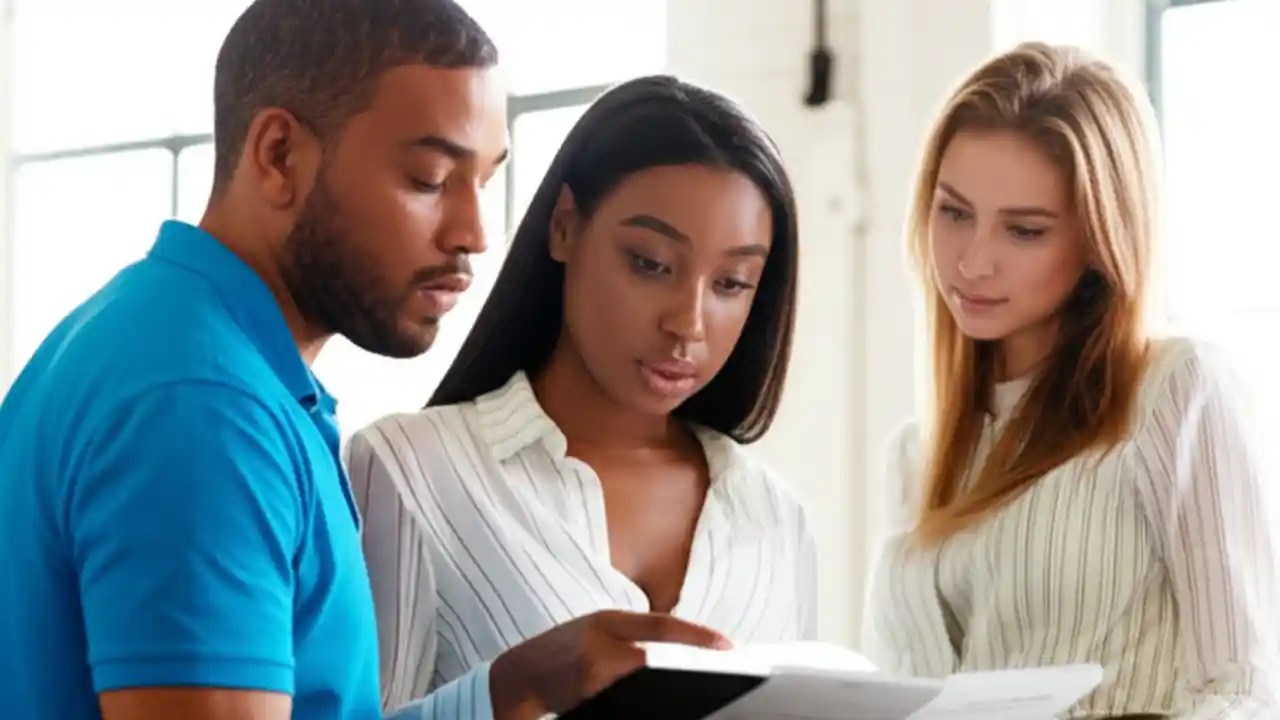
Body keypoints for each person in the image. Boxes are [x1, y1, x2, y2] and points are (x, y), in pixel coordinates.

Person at [0, 2, 731, 720]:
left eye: (483, 180)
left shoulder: (175, 344)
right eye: (428, 178)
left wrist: (516, 686)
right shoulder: (206, 408)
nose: (475, 232)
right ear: (280, 156)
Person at [345, 74, 818, 714]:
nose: (689, 322)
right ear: (565, 226)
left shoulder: (776, 517)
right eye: (651, 263)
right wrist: (519, 686)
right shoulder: (411, 469)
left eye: (732, 282)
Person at [861, 41, 1280, 717]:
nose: (971, 262)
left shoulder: (1177, 391)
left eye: (1023, 231)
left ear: (1098, 240)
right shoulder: (916, 453)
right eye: (954, 212)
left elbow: (1245, 692)